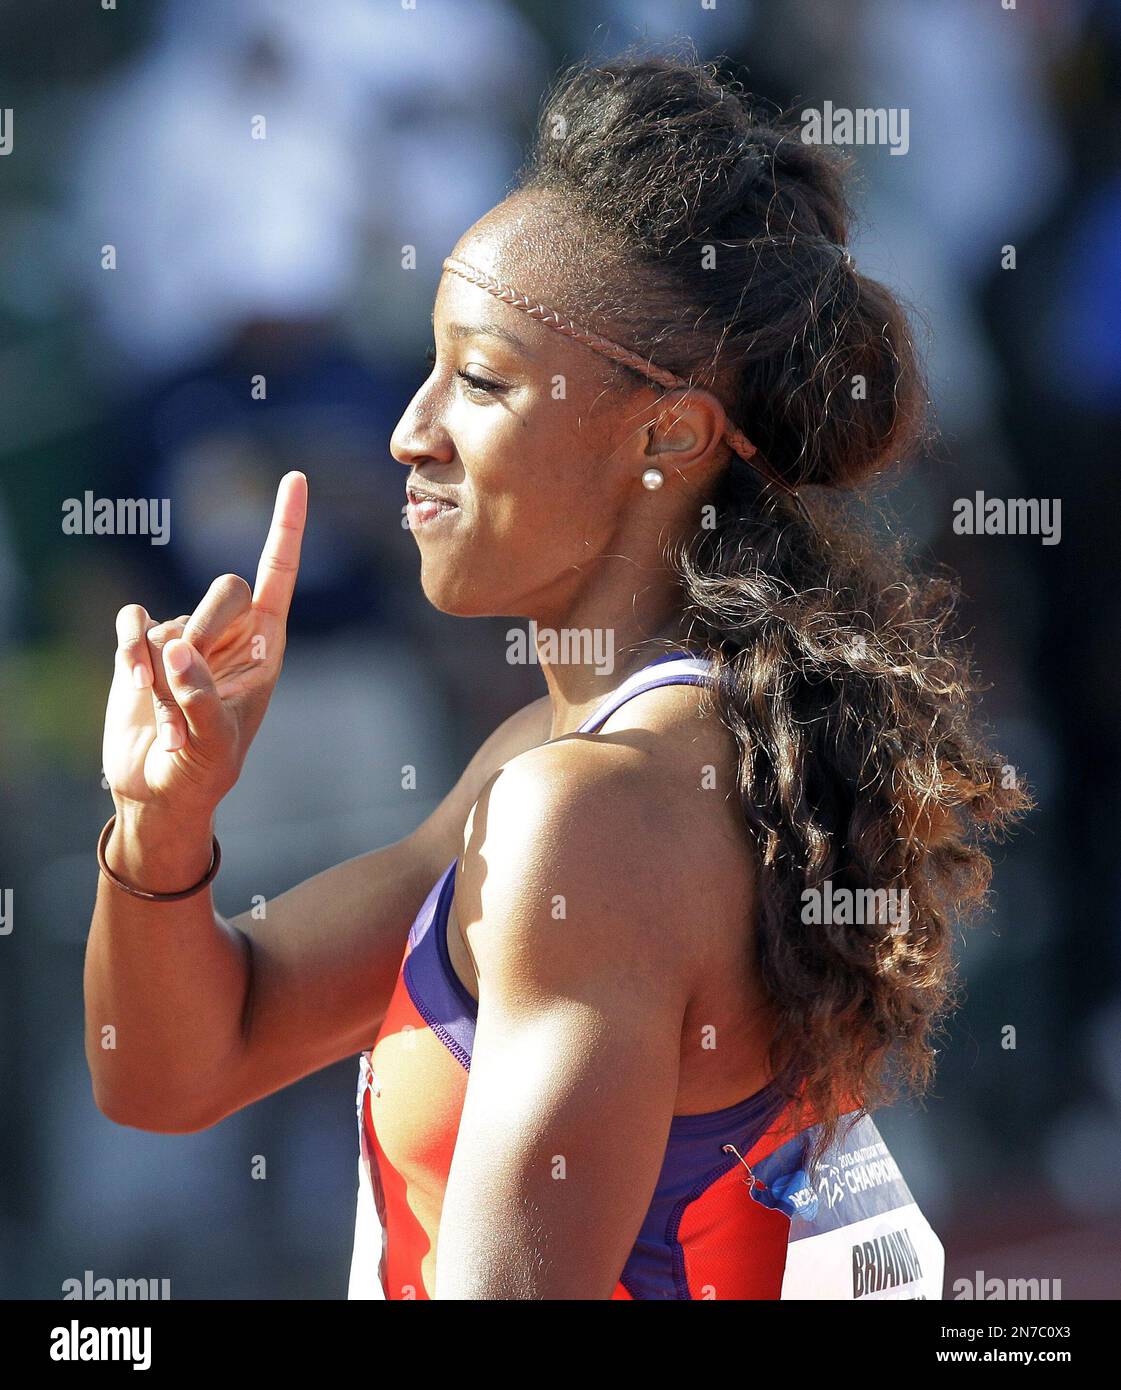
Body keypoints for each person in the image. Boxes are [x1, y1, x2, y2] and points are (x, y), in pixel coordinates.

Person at [86, 50, 1028, 1300]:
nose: (407, 431)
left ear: (668, 433)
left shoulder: (584, 817)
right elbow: (177, 1069)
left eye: (478, 380)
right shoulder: (566, 762)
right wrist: (161, 824)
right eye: (425, 366)